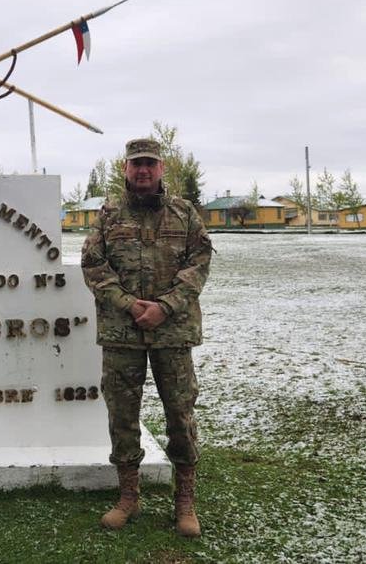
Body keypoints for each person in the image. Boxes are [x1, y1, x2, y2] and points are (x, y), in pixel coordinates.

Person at [81, 138, 212, 537]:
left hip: (173, 334)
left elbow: (199, 263)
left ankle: (185, 502)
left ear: (161, 169)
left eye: (150, 164)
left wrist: (166, 306)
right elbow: (93, 264)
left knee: (180, 414)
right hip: (123, 334)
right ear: (125, 169)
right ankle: (128, 498)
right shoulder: (108, 216)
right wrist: (129, 304)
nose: (143, 170)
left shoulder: (185, 214)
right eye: (136, 164)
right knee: (123, 416)